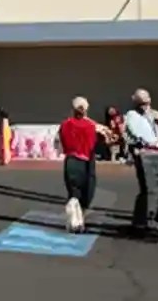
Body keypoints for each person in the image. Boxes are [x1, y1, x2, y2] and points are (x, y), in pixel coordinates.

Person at [124, 88, 158, 233]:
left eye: (146, 103)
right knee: (145, 188)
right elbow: (136, 134)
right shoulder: (132, 116)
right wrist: (148, 143)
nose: (145, 107)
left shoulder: (153, 114)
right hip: (143, 154)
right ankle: (139, 221)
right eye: (141, 104)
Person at [58, 97, 98, 233]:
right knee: (86, 192)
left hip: (70, 160)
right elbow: (92, 144)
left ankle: (73, 221)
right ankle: (80, 220)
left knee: (73, 192)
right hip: (85, 161)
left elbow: (62, 141)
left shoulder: (65, 124)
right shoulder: (90, 126)